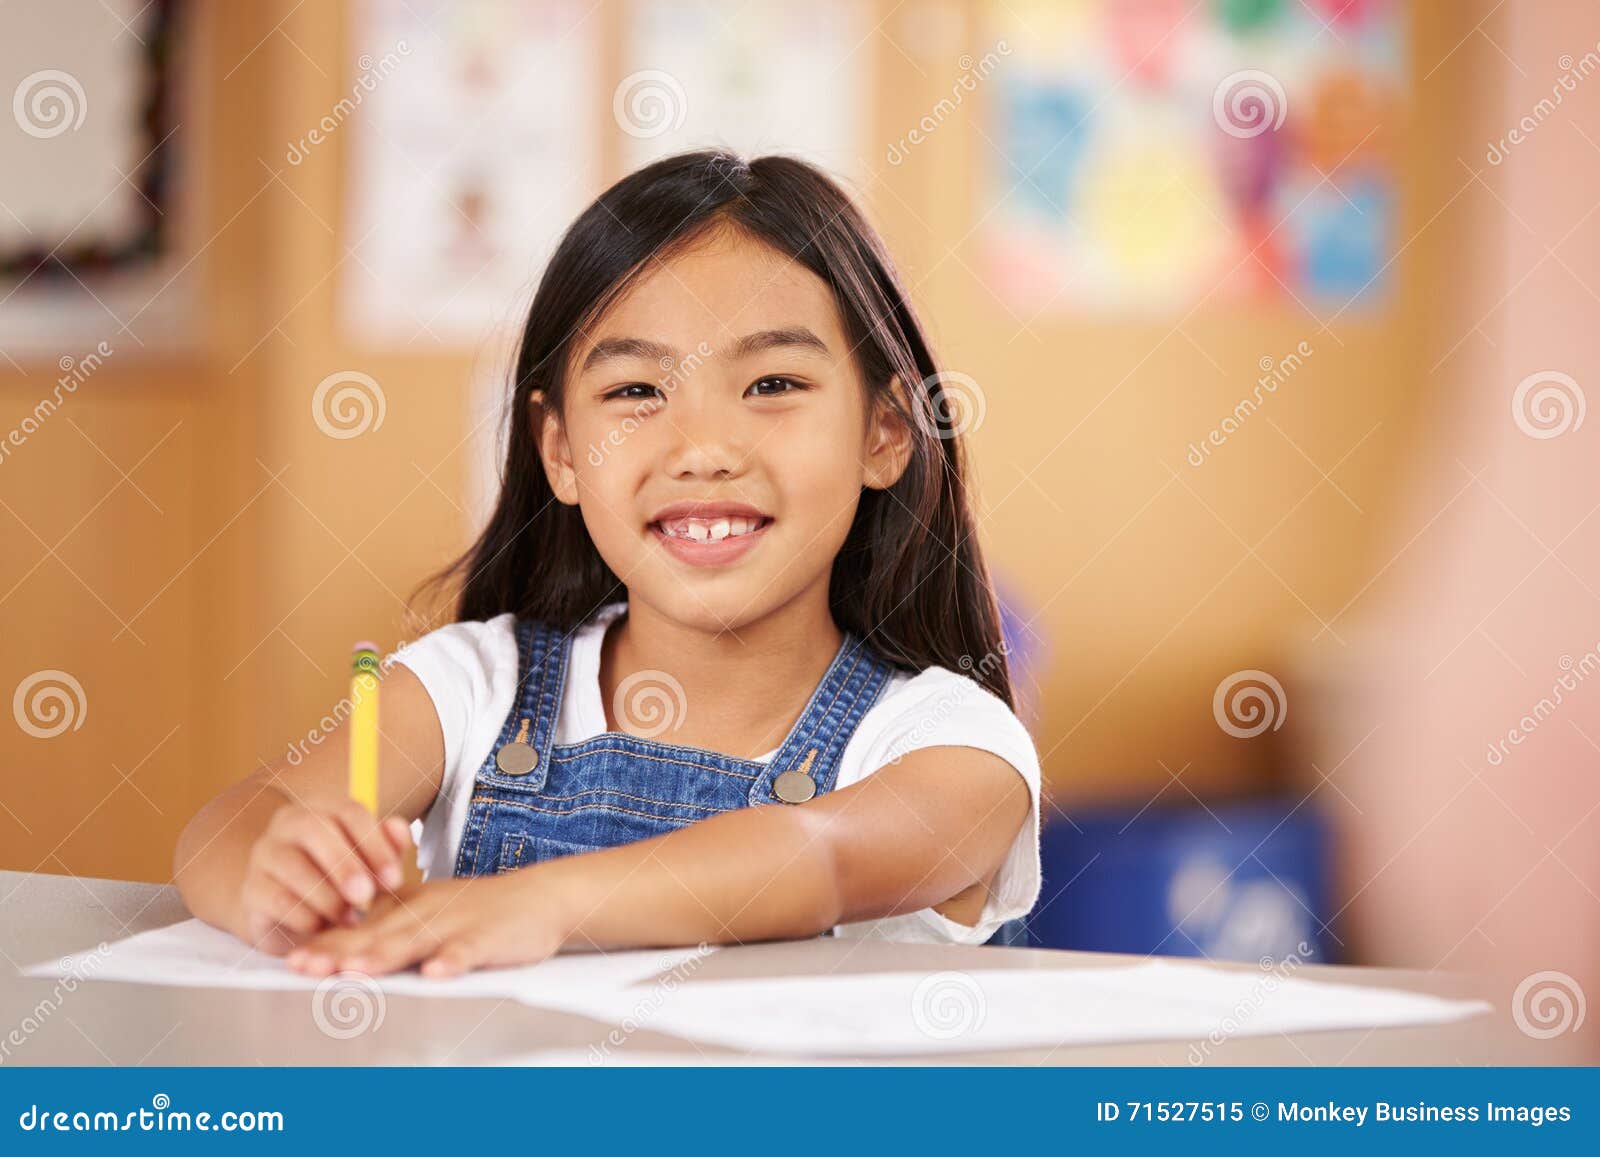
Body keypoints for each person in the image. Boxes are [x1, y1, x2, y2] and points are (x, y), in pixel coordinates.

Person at [174, 150, 1042, 978]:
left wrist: (542, 904)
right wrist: (274, 873)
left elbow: (813, 859)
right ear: (560, 451)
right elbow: (227, 828)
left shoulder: (953, 744)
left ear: (885, 432)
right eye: (636, 392)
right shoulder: (473, 686)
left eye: (773, 384)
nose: (702, 450)